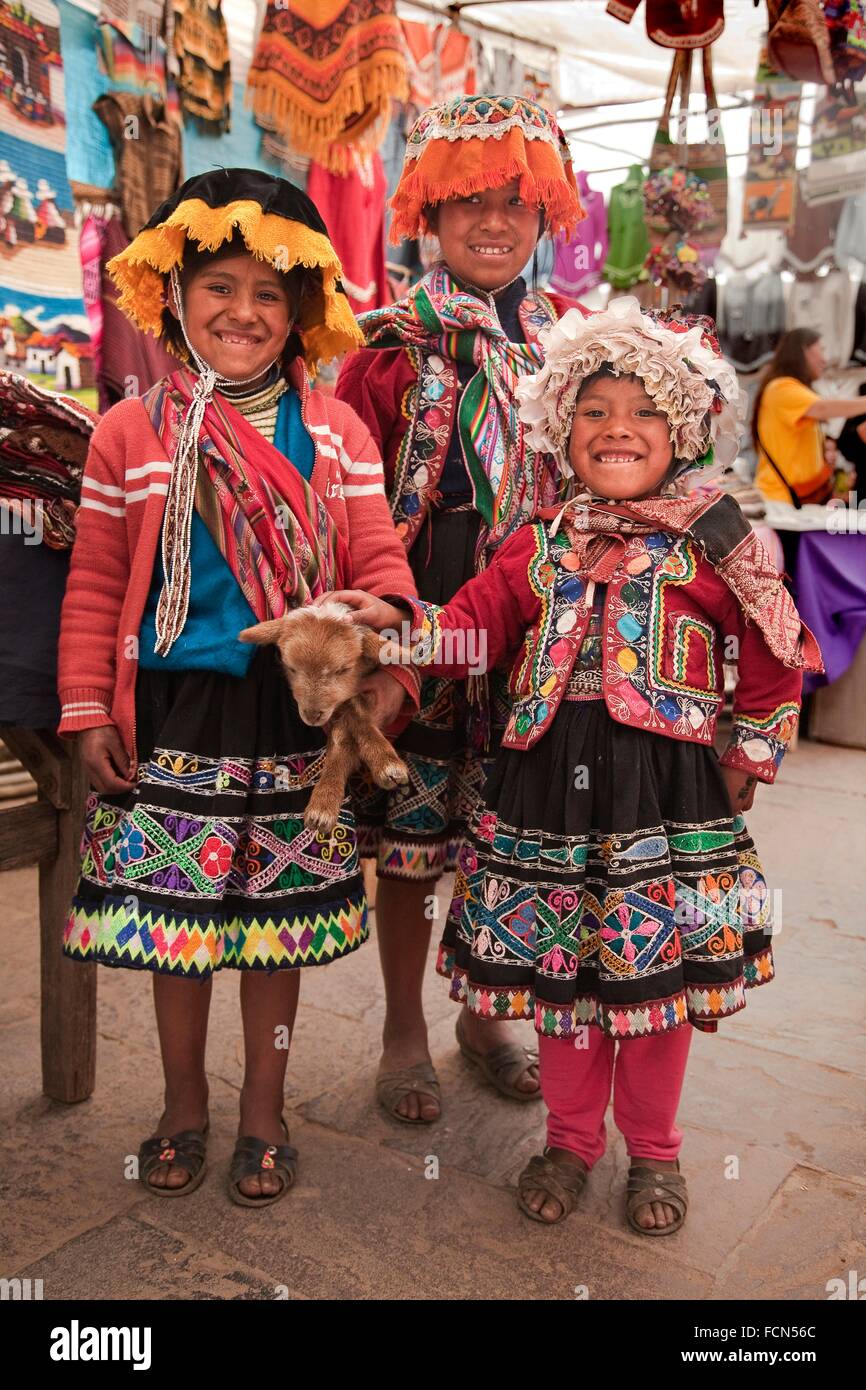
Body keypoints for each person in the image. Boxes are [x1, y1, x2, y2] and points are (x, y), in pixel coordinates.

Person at [326, 297, 823, 1234]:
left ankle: (657, 1156)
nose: (618, 429)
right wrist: (406, 629)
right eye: (594, 411)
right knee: (562, 977)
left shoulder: (718, 534)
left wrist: (750, 753)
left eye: (643, 411)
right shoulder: (537, 540)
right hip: (547, 795)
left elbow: (776, 649)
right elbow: (475, 630)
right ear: (561, 427)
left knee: (655, 985)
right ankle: (569, 1140)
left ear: (681, 428)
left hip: (667, 797)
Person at [57, 169, 419, 1207]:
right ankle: (182, 1105)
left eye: (269, 294)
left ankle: (263, 1110)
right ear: (172, 296)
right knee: (177, 927)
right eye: (219, 285)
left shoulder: (335, 434)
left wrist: (368, 612)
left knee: (273, 929)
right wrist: (88, 708)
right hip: (177, 714)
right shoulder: (128, 432)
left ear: (300, 311)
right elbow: (92, 582)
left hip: (295, 716)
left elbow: (385, 571)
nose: (243, 312)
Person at [335, 94, 584, 1124]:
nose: (493, 224)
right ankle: (402, 1029)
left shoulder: (574, 352)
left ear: (542, 218)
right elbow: (345, 496)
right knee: (411, 840)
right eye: (469, 204)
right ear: (428, 219)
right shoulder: (382, 349)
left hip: (536, 639)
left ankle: (487, 1011)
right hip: (419, 629)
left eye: (515, 205)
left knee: (511, 835)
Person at [752, 328, 861, 506]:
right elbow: (823, 408)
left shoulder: (791, 389)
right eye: (821, 350)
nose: (825, 359)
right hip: (783, 501)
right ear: (803, 350)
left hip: (794, 500)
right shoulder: (781, 388)